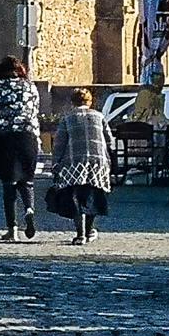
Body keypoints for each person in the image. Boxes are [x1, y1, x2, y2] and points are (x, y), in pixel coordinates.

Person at [0, 55, 44, 241]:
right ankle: (29, 209)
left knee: (9, 183)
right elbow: (35, 109)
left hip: (3, 138)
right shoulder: (30, 86)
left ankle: (12, 229)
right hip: (28, 137)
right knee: (27, 180)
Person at [48, 87, 113, 245]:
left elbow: (59, 143)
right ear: (90, 101)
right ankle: (90, 231)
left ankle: (80, 234)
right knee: (92, 197)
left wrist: (55, 163)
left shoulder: (68, 118)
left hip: (74, 163)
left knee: (76, 198)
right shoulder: (99, 116)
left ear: (73, 102)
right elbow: (109, 140)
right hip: (97, 163)